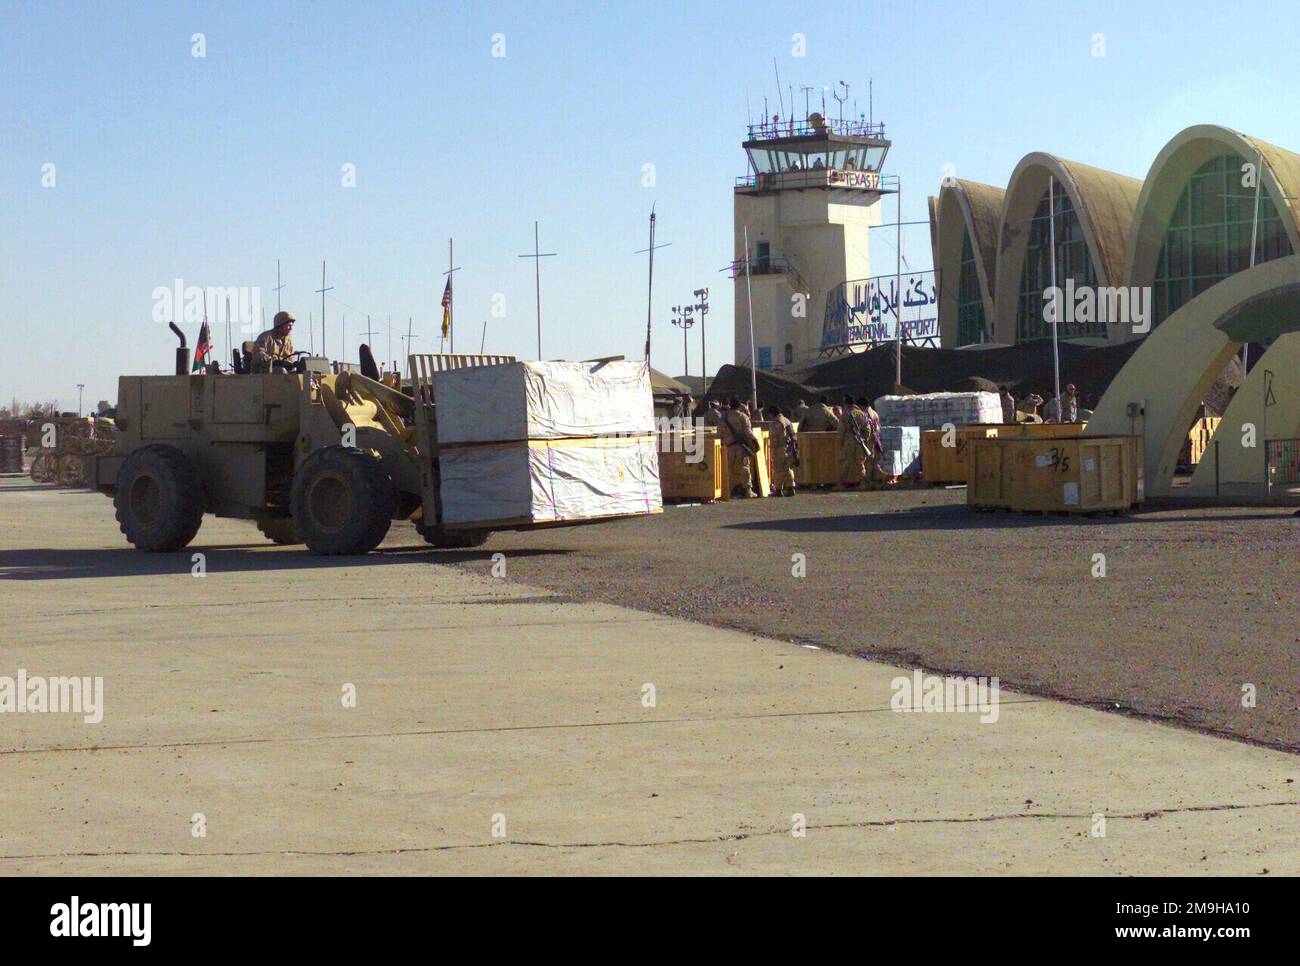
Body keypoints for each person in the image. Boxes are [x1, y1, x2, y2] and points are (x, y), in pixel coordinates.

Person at [719, 397, 758, 498]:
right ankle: (748, 491)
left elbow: (719, 433)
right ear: (738, 406)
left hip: (729, 446)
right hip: (742, 446)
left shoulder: (723, 417)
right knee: (745, 467)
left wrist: (723, 442)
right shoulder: (743, 416)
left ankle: (726, 491)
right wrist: (754, 442)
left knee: (728, 469)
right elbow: (748, 432)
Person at [836, 395, 871, 489]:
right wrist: (864, 439)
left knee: (845, 463)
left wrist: (839, 443)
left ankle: (841, 484)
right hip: (860, 442)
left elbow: (841, 431)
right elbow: (868, 429)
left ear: (846, 404)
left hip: (849, 442)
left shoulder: (845, 414)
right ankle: (863, 484)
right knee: (860, 463)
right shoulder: (861, 413)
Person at [764, 404, 798, 497]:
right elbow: (793, 435)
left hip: (779, 448)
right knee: (788, 469)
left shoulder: (776, 423)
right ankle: (791, 488)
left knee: (778, 469)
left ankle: (778, 489)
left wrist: (773, 447)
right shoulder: (787, 420)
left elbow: (776, 437)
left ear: (772, 413)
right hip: (789, 448)